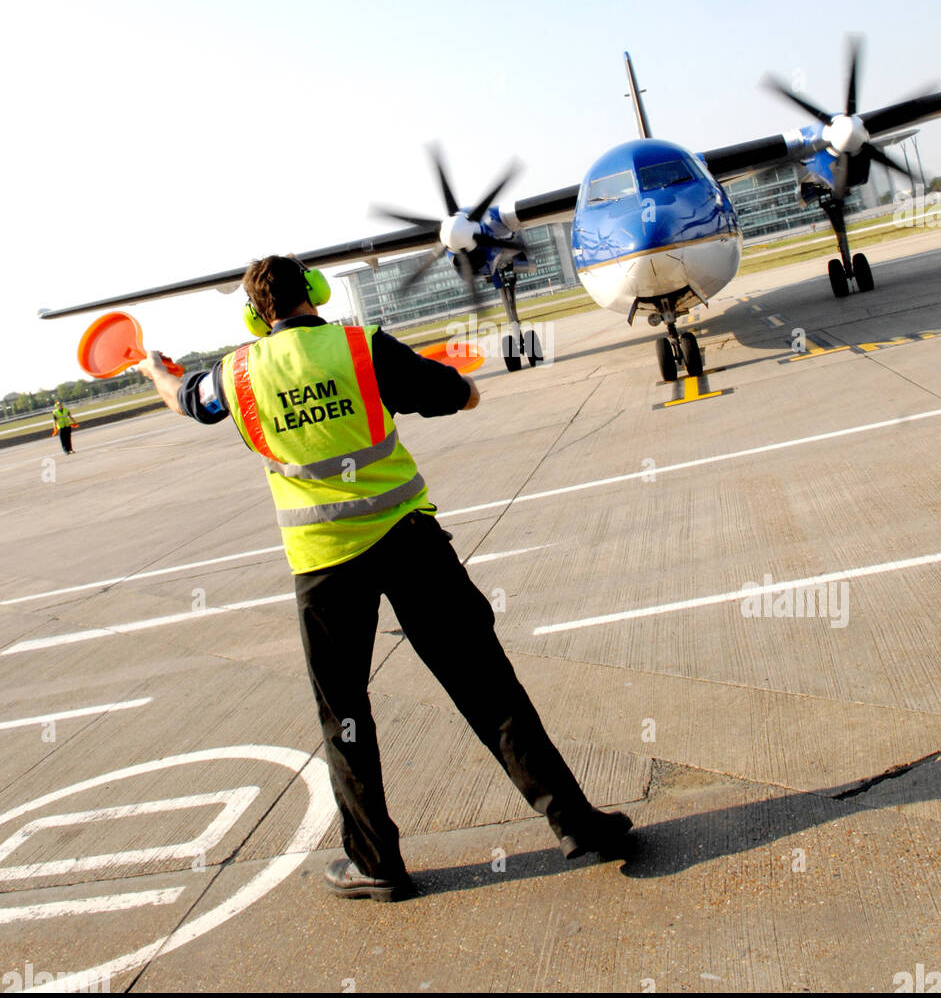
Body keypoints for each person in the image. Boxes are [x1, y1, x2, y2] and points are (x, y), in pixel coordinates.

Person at [139, 254, 633, 901]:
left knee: (344, 715)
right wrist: (449, 386)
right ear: (315, 291)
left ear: (254, 316)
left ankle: (377, 864)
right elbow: (460, 394)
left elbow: (183, 399)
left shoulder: (235, 373)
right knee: (487, 685)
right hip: (409, 542)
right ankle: (576, 824)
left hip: (323, 564)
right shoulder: (358, 346)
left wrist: (155, 370)